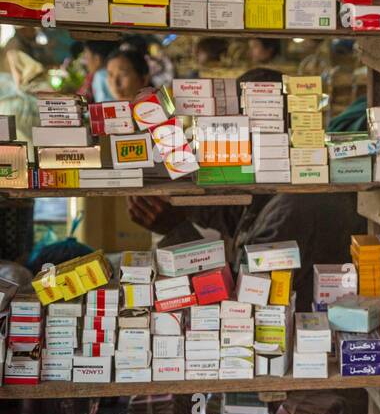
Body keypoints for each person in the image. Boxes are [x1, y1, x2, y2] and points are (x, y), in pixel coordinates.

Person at [126, 68, 366, 309]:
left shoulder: (291, 209)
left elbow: (237, 303)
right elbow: (240, 214)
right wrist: (180, 197)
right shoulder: (282, 178)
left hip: (293, 332)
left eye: (231, 129)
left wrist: (175, 229)